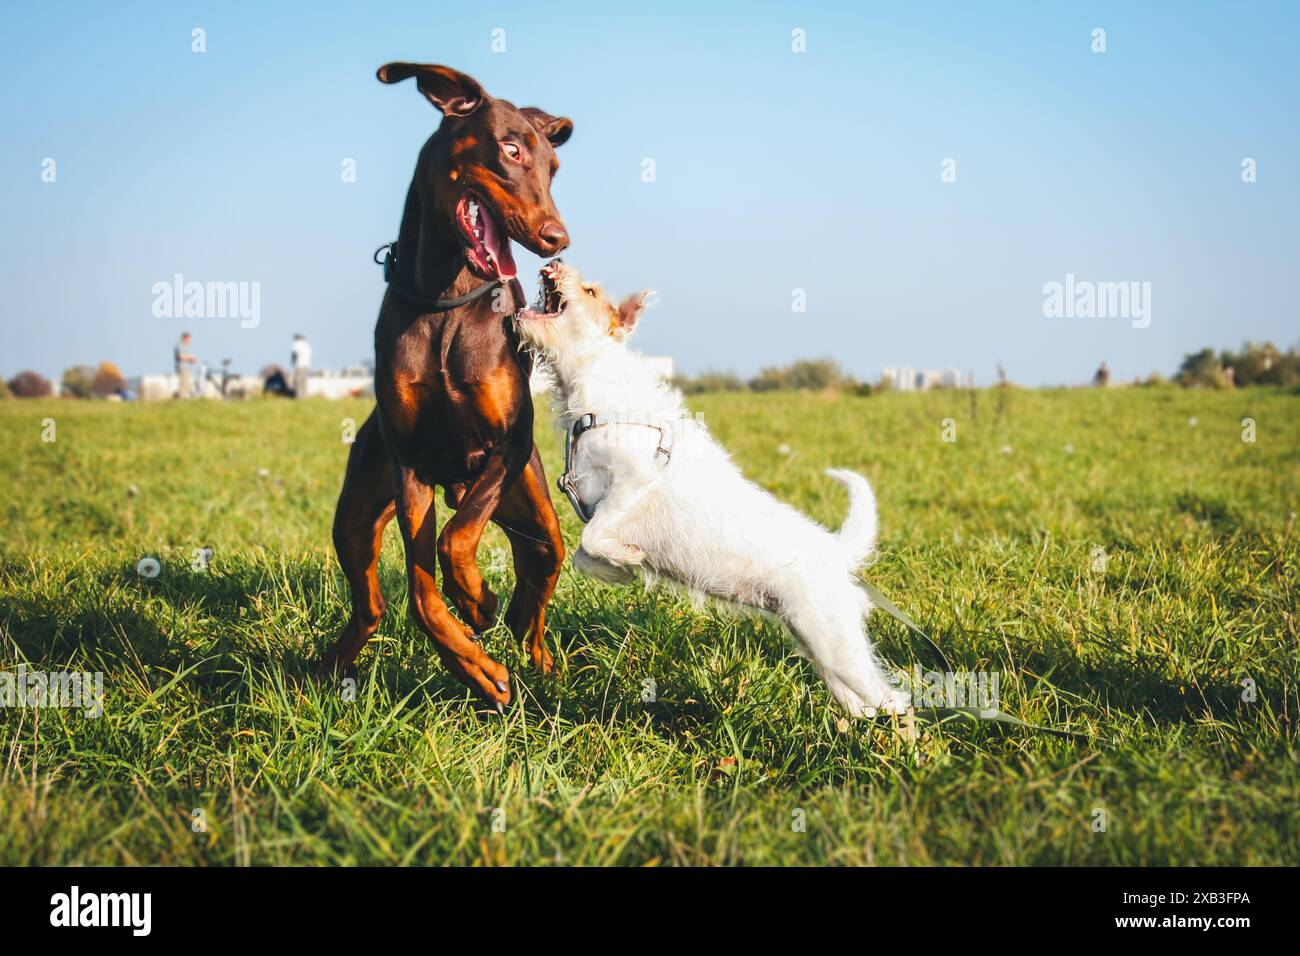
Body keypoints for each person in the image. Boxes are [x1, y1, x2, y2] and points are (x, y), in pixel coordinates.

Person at [174, 332, 197, 399]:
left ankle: (181, 397)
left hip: (186, 367)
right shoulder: (180, 345)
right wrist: (190, 358)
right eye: (189, 338)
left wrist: (190, 360)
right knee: (183, 384)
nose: (189, 340)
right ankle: (180, 399)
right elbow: (180, 356)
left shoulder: (184, 346)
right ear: (185, 337)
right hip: (182, 368)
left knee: (185, 384)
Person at [290, 334, 312, 399]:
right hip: (307, 365)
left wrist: (292, 362)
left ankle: (298, 396)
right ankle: (304, 396)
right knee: (304, 382)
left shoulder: (297, 344)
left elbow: (294, 354)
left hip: (299, 365)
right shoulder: (307, 345)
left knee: (297, 381)